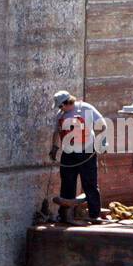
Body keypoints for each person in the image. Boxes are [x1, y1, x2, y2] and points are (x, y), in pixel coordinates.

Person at [50, 90, 106, 222]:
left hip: (86, 152)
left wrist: (102, 141)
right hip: (68, 153)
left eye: (60, 106)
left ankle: (94, 215)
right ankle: (65, 215)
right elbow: (56, 132)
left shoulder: (86, 108)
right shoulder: (60, 115)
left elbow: (102, 124)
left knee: (90, 183)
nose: (60, 109)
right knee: (67, 184)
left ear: (67, 103)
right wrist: (54, 148)